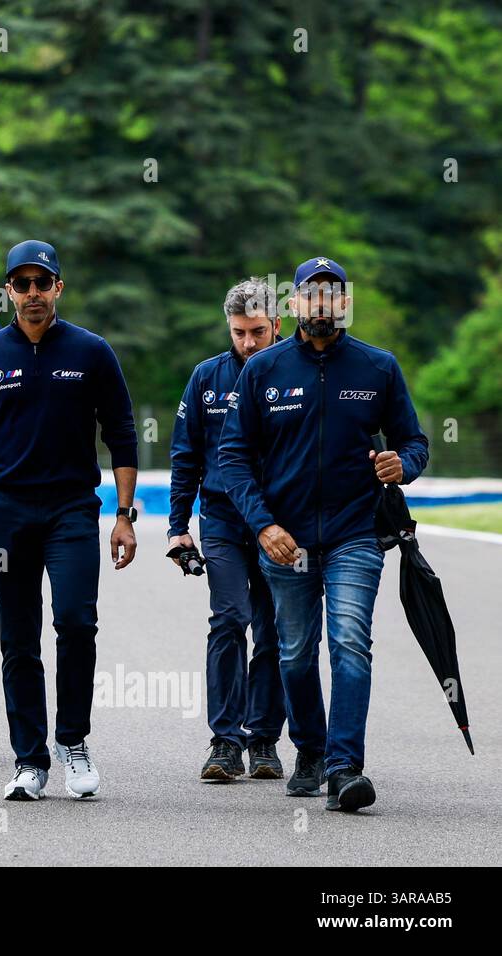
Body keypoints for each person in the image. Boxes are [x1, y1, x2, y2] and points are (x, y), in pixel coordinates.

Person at [219, 256, 429, 812]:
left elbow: (415, 441)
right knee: (293, 652)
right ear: (293, 305)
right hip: (284, 539)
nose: (322, 304)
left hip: (355, 534)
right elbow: (233, 458)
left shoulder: (378, 367)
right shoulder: (262, 371)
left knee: (349, 643)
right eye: (311, 295)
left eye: (333, 294)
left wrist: (401, 465)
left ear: (345, 303)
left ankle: (343, 767)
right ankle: (309, 749)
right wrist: (262, 525)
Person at [0, 240, 139, 802]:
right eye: (21, 284)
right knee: (17, 637)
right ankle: (29, 760)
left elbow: (123, 436)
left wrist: (125, 516)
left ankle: (73, 742)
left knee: (76, 622)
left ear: (58, 286)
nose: (33, 294)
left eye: (42, 283)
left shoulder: (92, 352)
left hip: (73, 510)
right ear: (8, 290)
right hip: (6, 513)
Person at [169, 278, 287, 781]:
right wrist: (177, 527)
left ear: (277, 325)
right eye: (239, 332)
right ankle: (224, 741)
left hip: (281, 524)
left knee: (277, 631)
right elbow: (184, 456)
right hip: (221, 519)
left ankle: (264, 740)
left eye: (258, 331)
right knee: (229, 619)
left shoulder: (297, 373)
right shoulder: (206, 377)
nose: (248, 343)